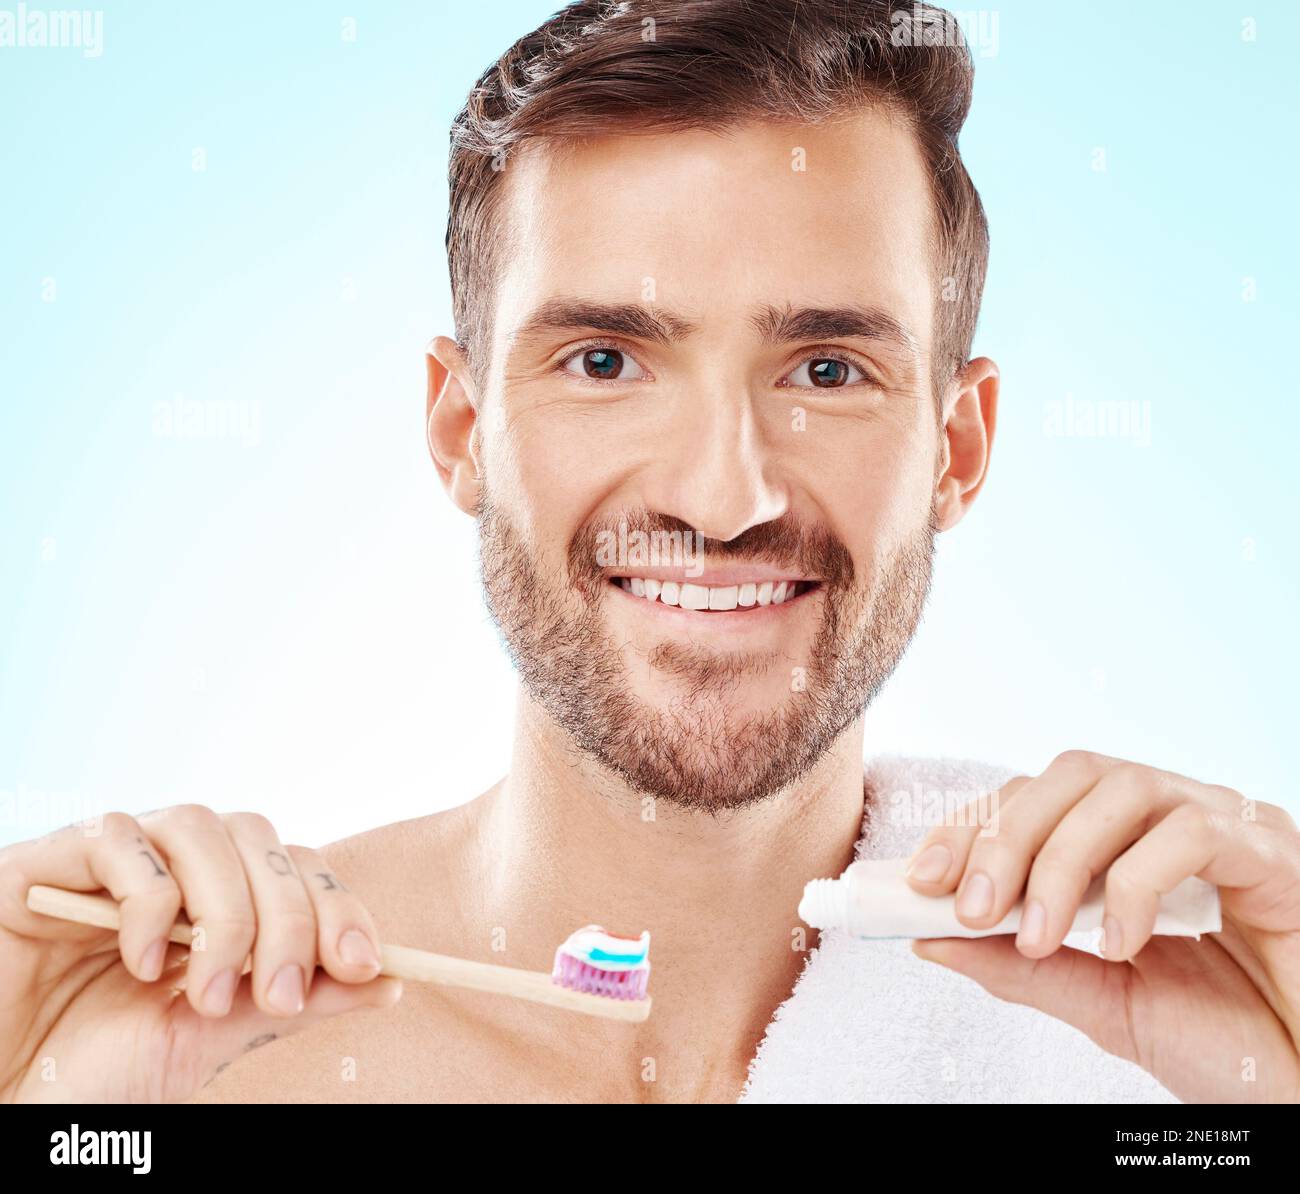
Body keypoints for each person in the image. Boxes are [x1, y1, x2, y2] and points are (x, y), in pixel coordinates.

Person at [2, 0, 1296, 1105]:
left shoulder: (1150, 1048)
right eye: (606, 361)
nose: (723, 496)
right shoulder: (196, 1054)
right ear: (462, 429)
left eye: (828, 367)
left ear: (959, 449)